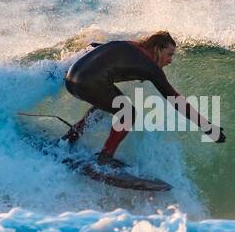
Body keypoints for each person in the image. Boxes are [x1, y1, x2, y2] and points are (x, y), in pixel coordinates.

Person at [62, 30, 224, 166]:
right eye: (169, 54)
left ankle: (70, 138)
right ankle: (106, 156)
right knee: (128, 112)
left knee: (106, 104)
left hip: (71, 79)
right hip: (89, 83)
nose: (170, 60)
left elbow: (94, 47)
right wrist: (206, 126)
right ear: (157, 49)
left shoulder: (129, 45)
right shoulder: (150, 67)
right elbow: (175, 100)